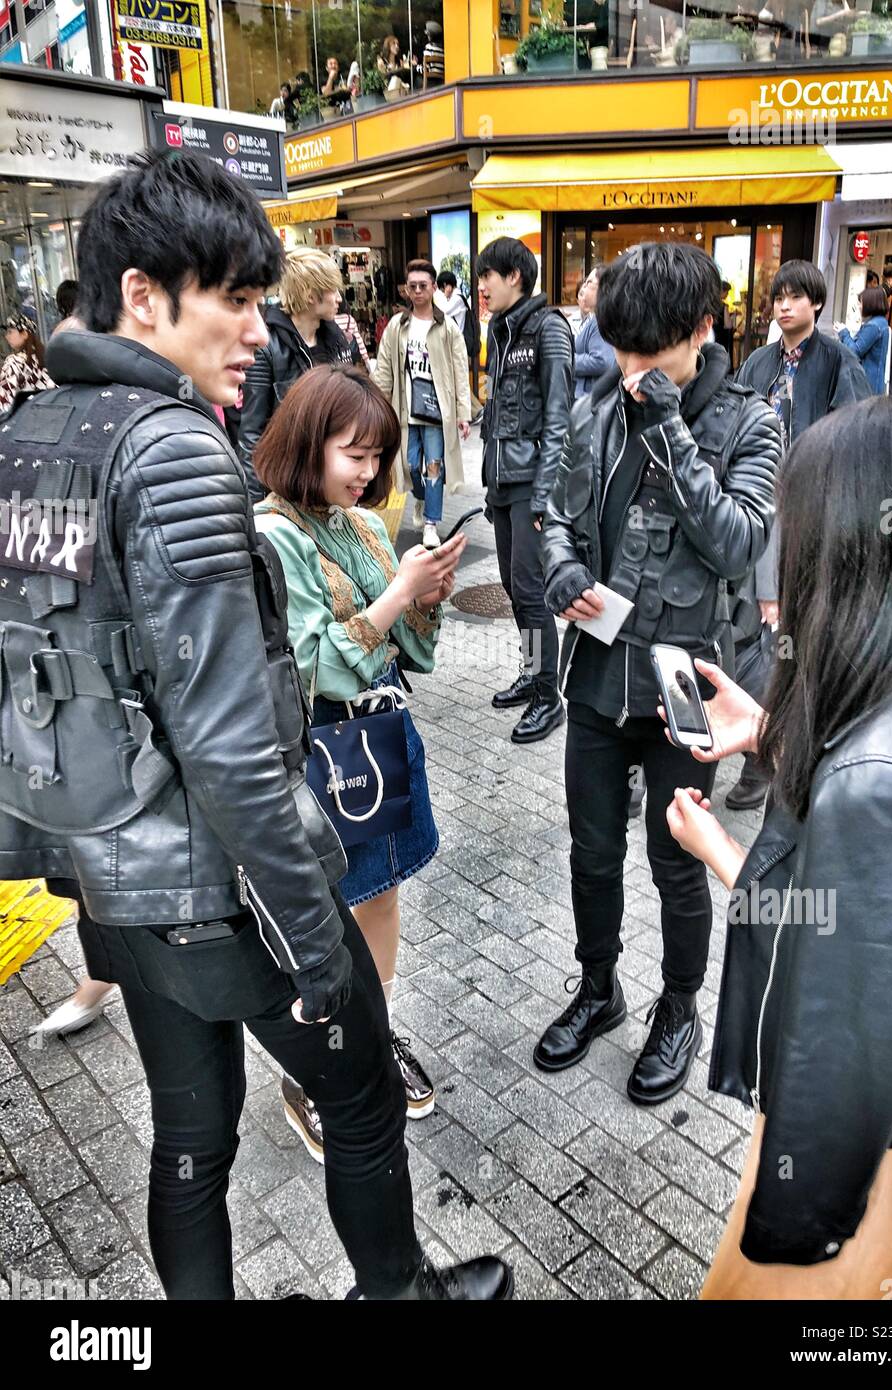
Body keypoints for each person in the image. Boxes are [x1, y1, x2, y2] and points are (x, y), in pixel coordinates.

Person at [0, 152, 511, 1303]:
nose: (254, 329)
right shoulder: (171, 448)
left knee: (192, 1143)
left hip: (109, 883)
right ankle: (405, 1296)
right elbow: (233, 745)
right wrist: (319, 946)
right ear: (144, 296)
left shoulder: (29, 438)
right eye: (232, 297)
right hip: (216, 890)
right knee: (365, 1092)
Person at [663, 394, 892, 1297]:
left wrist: (787, 1235)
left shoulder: (886, 783)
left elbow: (840, 1042)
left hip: (870, 1159)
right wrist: (766, 728)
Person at [534, 242, 780, 1103]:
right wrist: (558, 567)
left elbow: (740, 541)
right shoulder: (596, 403)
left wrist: (669, 427)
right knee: (592, 852)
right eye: (620, 348)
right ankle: (598, 988)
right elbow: (551, 509)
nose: (632, 367)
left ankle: (678, 1008)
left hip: (689, 687)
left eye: (652, 350)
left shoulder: (751, 420)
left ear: (703, 328)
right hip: (600, 672)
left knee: (677, 861)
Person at [253, 366, 464, 1149]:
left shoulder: (363, 525)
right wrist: (397, 594)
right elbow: (314, 669)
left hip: (376, 738)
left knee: (378, 897)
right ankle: (315, 1071)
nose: (369, 472)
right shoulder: (272, 536)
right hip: (320, 754)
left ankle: (372, 1036)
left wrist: (425, 596)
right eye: (354, 453)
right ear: (308, 444)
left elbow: (409, 653)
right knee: (324, 921)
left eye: (378, 456)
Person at [731, 259, 870, 810]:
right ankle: (758, 749)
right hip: (758, 510)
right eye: (778, 297)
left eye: (796, 297)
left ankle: (788, 755)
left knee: (794, 633)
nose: (785, 305)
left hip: (810, 514)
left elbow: (854, 437)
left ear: (815, 303)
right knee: (752, 631)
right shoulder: (759, 362)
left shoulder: (838, 360)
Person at [478, 235, 574, 744]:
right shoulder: (501, 330)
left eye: (488, 275)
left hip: (531, 487)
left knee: (532, 593)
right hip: (503, 483)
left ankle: (547, 696)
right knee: (517, 592)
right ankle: (534, 671)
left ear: (514, 275)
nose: (483, 286)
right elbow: (498, 412)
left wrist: (544, 497)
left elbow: (560, 418)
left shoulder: (548, 329)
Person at [239, 247, 362, 500]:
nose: (339, 298)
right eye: (332, 290)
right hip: (289, 487)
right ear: (309, 296)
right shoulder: (267, 347)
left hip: (332, 484)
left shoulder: (336, 340)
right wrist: (255, 507)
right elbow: (252, 433)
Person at [373, 257, 471, 550]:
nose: (417, 291)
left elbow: (459, 372)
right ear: (406, 289)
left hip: (436, 413)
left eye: (423, 286)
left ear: (433, 288)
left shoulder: (447, 327)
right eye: (412, 286)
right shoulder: (397, 325)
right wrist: (377, 407)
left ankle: (431, 522)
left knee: (434, 466)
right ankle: (421, 498)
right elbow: (385, 369)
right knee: (409, 465)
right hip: (405, 411)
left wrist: (463, 413)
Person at [436, 268, 482, 416]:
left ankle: (476, 410)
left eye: (443, 289)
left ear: (447, 285)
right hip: (455, 346)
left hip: (457, 346)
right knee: (456, 380)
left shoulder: (456, 299)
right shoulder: (456, 299)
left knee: (457, 381)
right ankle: (473, 411)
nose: (443, 292)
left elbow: (441, 313)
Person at [835, 285, 890, 394]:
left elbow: (854, 351)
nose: (859, 306)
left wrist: (843, 332)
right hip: (874, 383)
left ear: (870, 303)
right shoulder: (881, 322)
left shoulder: (873, 326)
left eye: (861, 302)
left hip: (867, 385)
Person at [573, 265, 614, 398]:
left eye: (589, 282)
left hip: (592, 400)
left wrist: (568, 360)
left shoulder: (601, 320)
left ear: (602, 288)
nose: (584, 287)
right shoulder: (598, 318)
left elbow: (602, 361)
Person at [0, 313, 54, 409]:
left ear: (24, 334)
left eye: (10, 332)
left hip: (26, 418)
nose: (6, 337)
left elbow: (3, 399)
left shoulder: (13, 362)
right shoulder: (46, 358)